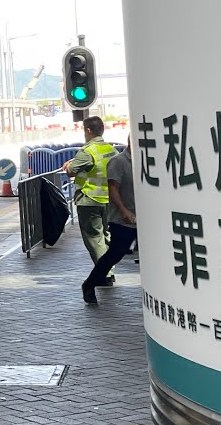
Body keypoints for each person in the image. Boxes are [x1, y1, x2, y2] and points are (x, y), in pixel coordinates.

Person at [62, 116, 119, 281]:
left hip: (89, 199)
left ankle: (105, 274)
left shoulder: (87, 151)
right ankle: (110, 270)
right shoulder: (111, 149)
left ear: (88, 131)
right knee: (107, 236)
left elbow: (71, 171)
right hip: (109, 199)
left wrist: (68, 165)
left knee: (94, 239)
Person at [83, 141, 137, 303]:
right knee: (115, 253)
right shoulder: (118, 161)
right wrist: (123, 211)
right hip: (123, 219)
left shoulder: (145, 160)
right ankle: (89, 284)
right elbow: (112, 187)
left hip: (142, 218)